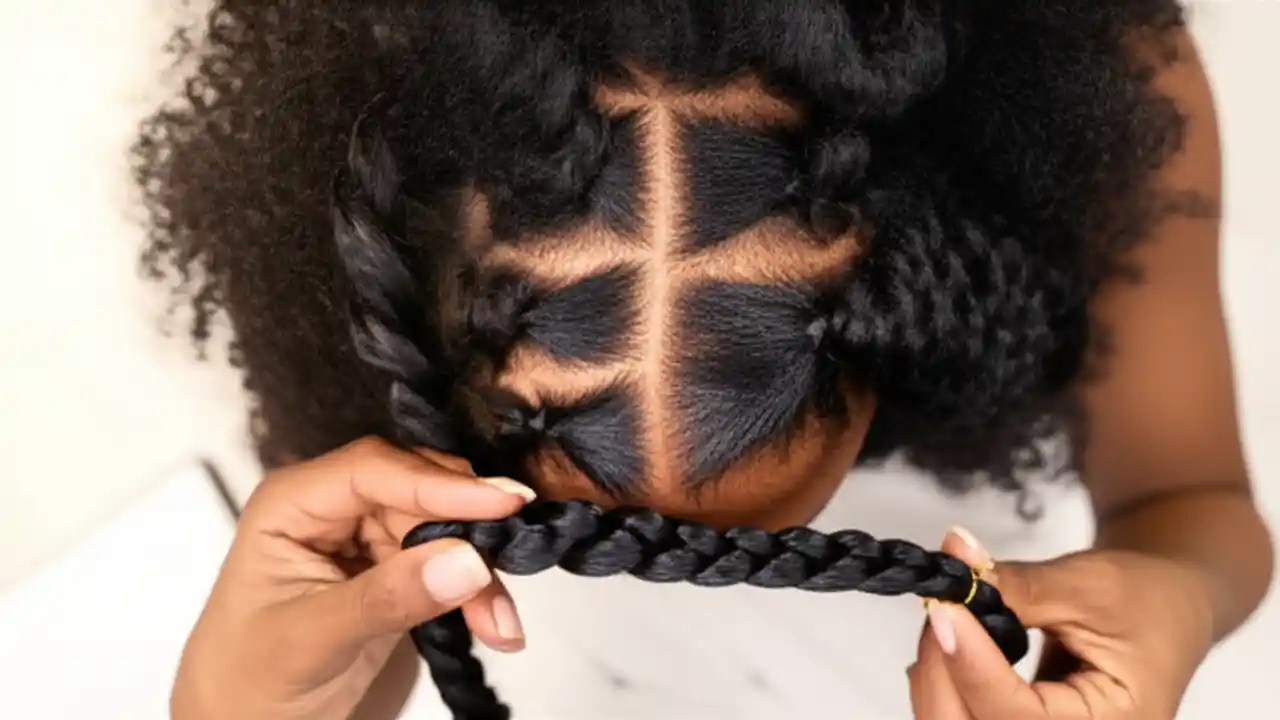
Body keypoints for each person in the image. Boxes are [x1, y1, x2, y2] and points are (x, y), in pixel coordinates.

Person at [143, 2, 1272, 718]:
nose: (678, 564)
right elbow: (354, 582)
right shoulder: (376, 250)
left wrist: (1177, 586)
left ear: (922, 300)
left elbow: (1196, 499)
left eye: (767, 536)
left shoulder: (1108, 63)